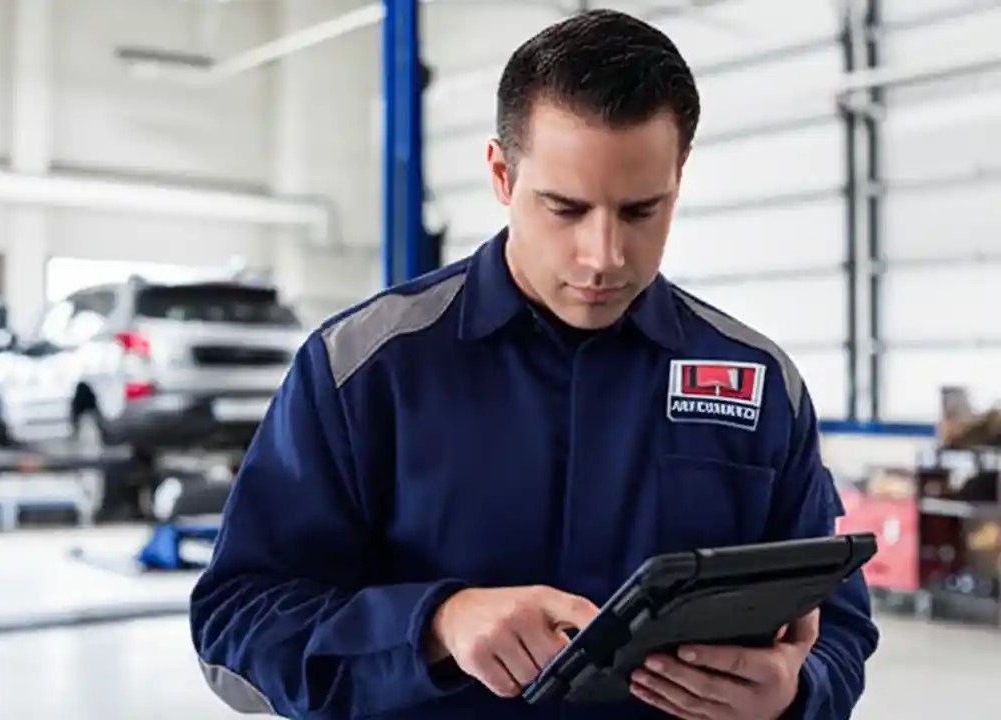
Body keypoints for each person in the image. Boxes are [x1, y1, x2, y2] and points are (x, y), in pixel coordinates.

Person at [189, 8, 878, 720]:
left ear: (679, 178)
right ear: (500, 172)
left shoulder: (758, 387)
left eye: (642, 211)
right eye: (565, 208)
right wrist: (433, 625)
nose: (603, 257)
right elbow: (235, 629)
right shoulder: (365, 371)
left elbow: (840, 631)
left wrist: (796, 692)